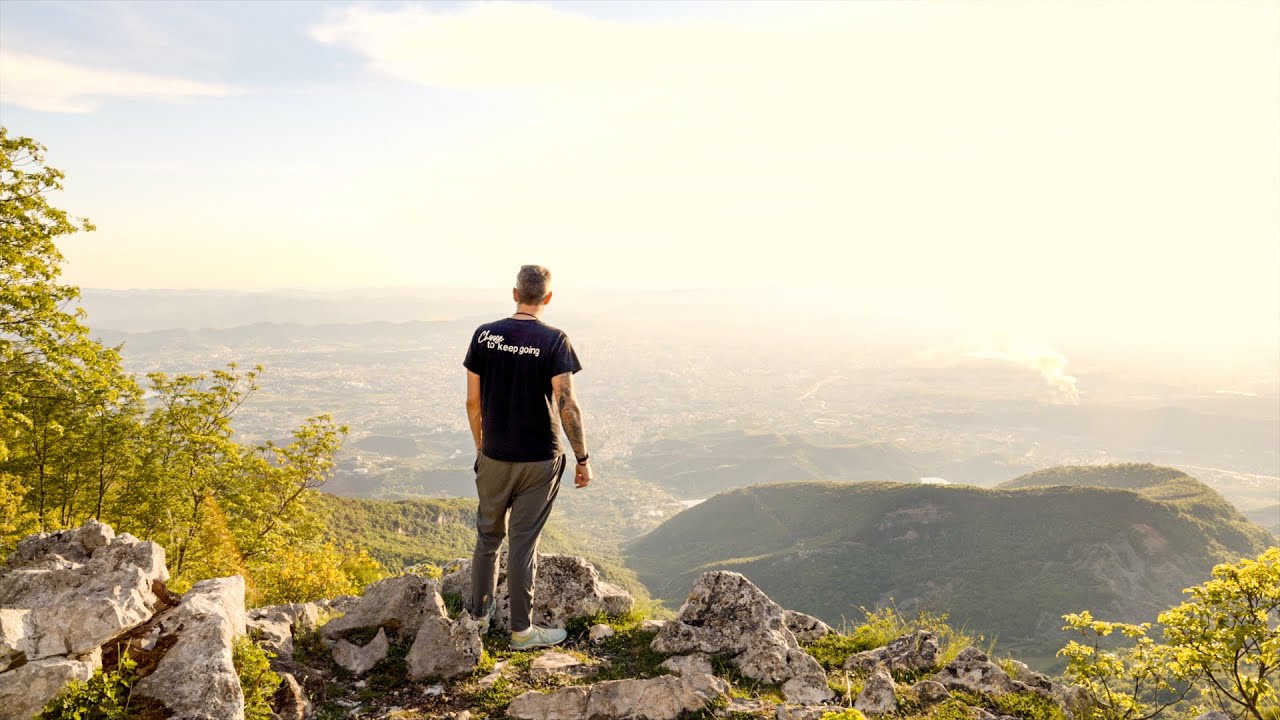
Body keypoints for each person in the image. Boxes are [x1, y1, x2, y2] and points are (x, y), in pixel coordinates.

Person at [463, 264, 592, 650]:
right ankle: (522, 631)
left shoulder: (484, 336)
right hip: (540, 458)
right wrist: (582, 458)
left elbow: (473, 402)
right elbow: (566, 404)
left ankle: (476, 620)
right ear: (547, 298)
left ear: (514, 293)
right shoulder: (555, 340)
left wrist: (481, 447)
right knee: (523, 544)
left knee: (487, 537)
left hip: (494, 454)